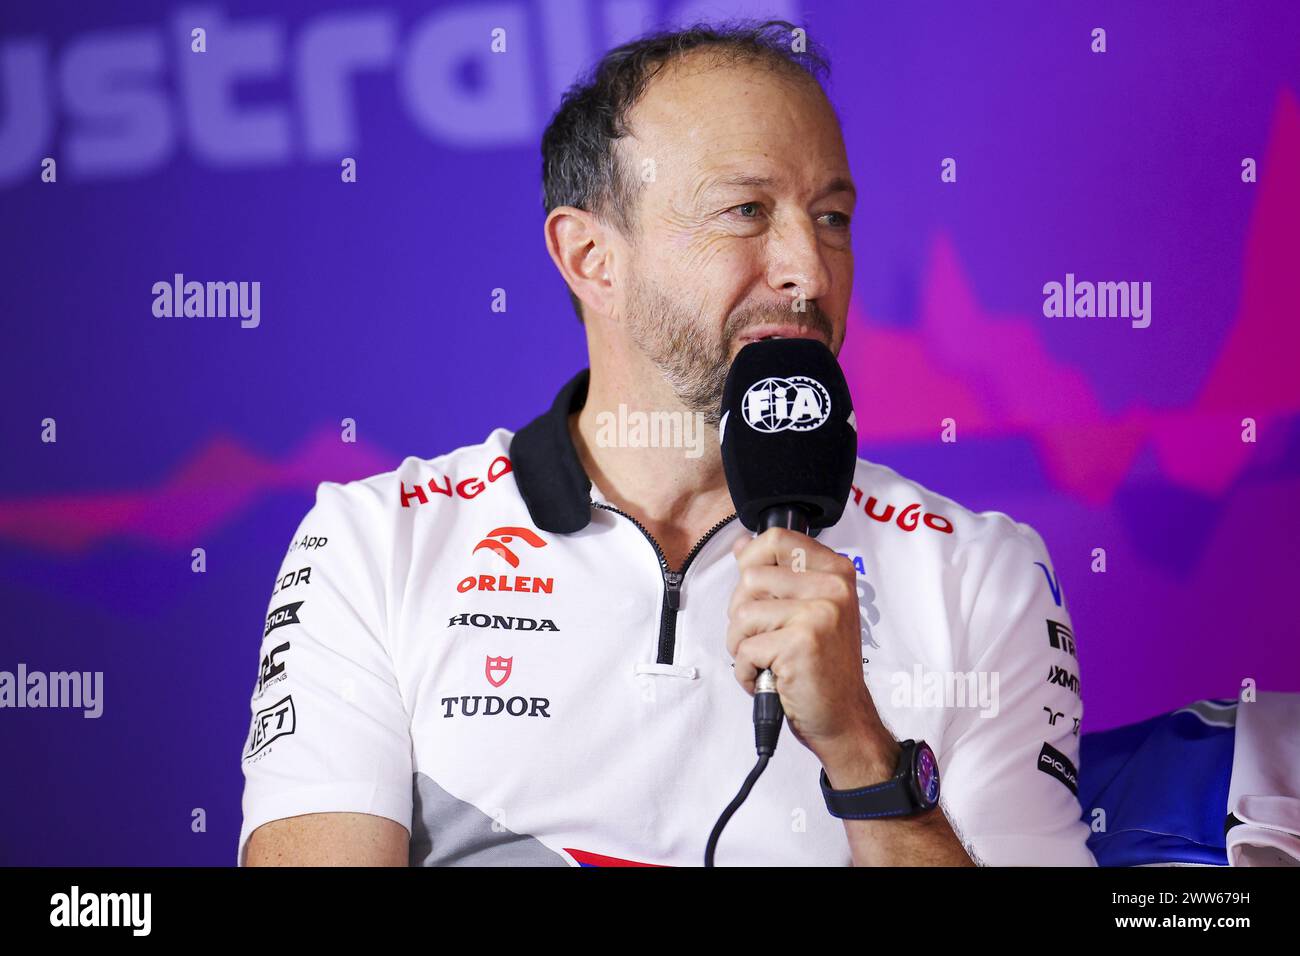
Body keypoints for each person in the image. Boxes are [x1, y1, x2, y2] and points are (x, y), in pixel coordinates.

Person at [239, 19, 1093, 867]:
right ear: (592, 259)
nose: (809, 268)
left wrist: (863, 752)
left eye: (831, 216)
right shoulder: (377, 542)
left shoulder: (981, 572)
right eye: (745, 210)